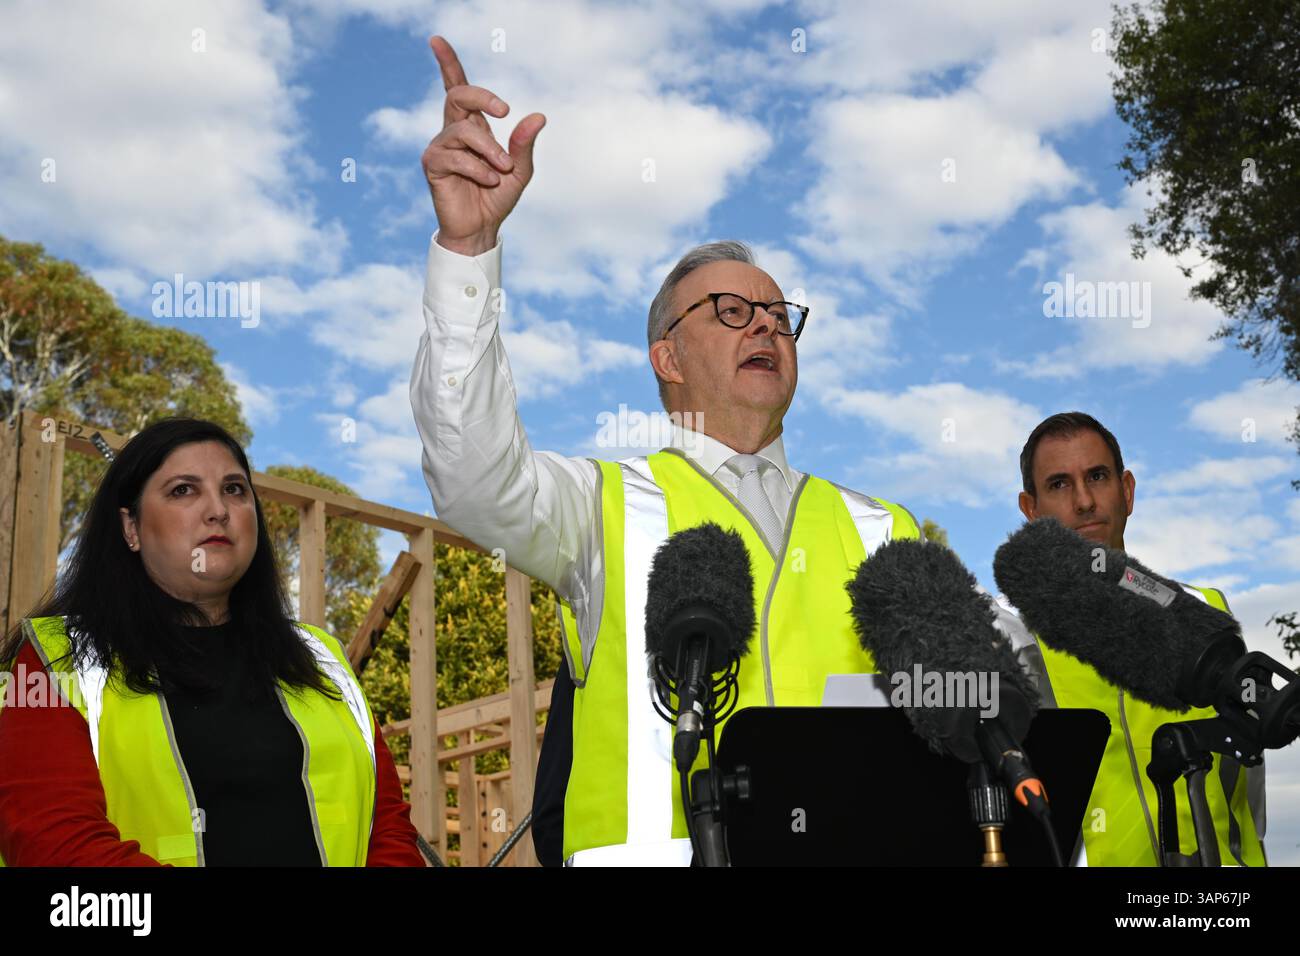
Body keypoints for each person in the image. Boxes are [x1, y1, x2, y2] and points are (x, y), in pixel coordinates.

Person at [410, 36, 1036, 866]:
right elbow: (469, 472)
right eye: (732, 313)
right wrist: (468, 251)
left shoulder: (885, 529)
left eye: (779, 314)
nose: (767, 326)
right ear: (667, 358)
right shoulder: (598, 509)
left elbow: (990, 705)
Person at [0, 418, 423, 866]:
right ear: (131, 527)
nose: (218, 509)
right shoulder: (56, 658)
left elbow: (389, 827)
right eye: (183, 490)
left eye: (235, 489)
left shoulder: (322, 660)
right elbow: (53, 842)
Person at [1015, 411, 1267, 866]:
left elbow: (1249, 791)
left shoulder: (1207, 612)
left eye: (1097, 476)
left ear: (1126, 491)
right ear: (1031, 511)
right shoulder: (1010, 640)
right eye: (1058, 484)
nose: (1085, 501)